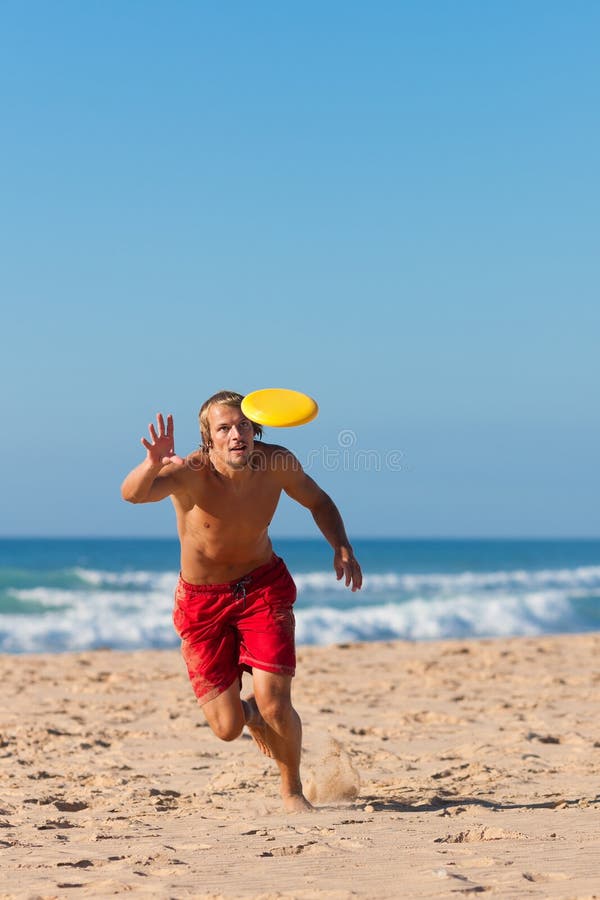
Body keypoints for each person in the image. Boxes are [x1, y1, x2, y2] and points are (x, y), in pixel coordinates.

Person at [121, 390, 362, 812]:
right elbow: (133, 496)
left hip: (261, 588)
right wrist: (151, 464)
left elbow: (319, 501)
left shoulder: (277, 463)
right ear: (208, 438)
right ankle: (250, 716)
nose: (237, 435)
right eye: (224, 428)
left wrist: (340, 544)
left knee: (275, 701)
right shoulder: (188, 472)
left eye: (243, 426)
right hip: (202, 602)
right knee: (228, 727)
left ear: (256, 429)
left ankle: (292, 790)